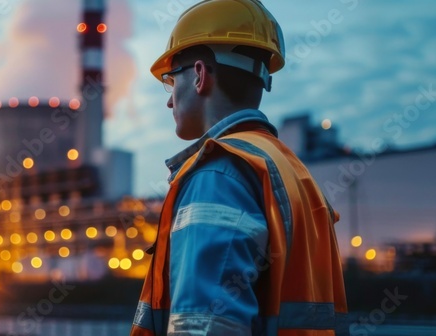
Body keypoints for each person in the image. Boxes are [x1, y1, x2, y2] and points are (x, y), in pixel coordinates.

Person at [130, 0, 349, 335]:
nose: (170, 100)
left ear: (200, 75)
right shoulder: (294, 175)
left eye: (172, 81)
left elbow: (202, 328)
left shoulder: (217, 175)